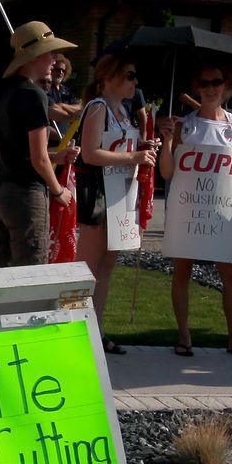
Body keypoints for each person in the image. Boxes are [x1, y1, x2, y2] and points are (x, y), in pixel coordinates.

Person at [159, 64, 232, 360]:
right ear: (197, 86)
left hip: (223, 211)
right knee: (182, 271)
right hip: (188, 208)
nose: (211, 87)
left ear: (226, 86)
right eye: (205, 82)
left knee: (231, 274)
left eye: (217, 82)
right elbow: (167, 171)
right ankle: (184, 335)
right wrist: (167, 141)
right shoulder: (184, 125)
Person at [76, 54, 157, 355]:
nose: (135, 83)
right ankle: (79, 330)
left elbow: (118, 148)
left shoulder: (122, 110)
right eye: (130, 76)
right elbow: (90, 153)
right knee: (87, 267)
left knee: (107, 267)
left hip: (119, 193)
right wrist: (132, 157)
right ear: (110, 78)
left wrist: (143, 149)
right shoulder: (98, 108)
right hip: (97, 195)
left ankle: (96, 329)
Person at [0, 21, 79, 268]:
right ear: (33, 57)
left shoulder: (2, 90)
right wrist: (59, 191)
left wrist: (56, 158)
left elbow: (17, 149)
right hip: (25, 196)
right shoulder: (33, 94)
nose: (53, 59)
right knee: (30, 276)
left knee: (1, 276)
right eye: (48, 52)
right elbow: (37, 158)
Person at [47, 53, 79, 136]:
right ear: (51, 69)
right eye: (58, 69)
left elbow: (79, 108)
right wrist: (71, 111)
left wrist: (62, 105)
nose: (61, 73)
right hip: (51, 141)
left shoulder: (66, 91)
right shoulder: (46, 89)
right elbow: (52, 109)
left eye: (63, 71)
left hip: (67, 140)